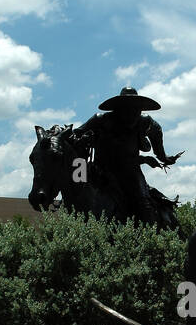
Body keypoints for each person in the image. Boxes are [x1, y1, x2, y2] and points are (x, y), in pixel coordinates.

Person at [76, 87, 182, 223]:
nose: (132, 111)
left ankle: (150, 233)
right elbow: (76, 135)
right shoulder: (101, 120)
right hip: (100, 170)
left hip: (130, 172)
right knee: (79, 192)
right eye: (128, 107)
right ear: (119, 107)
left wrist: (163, 158)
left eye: (136, 107)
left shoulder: (145, 122)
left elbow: (157, 137)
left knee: (144, 203)